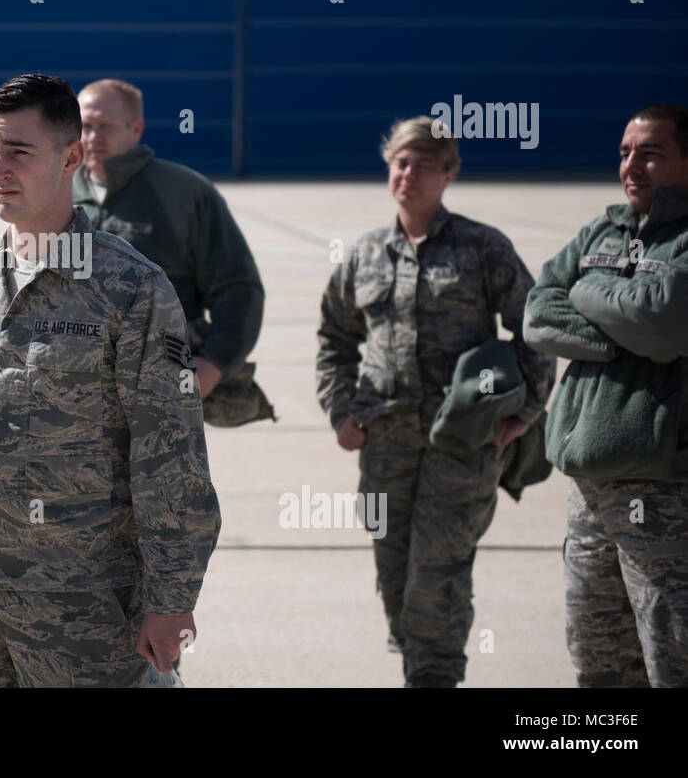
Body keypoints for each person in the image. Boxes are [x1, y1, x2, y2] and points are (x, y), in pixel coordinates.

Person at [0, 74, 221, 687]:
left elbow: (170, 452)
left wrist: (172, 596)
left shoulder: (131, 287)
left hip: (86, 605)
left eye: (19, 150)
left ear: (71, 157)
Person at [315, 115, 554, 687]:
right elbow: (334, 336)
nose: (409, 173)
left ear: (448, 174)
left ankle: (434, 676)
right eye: (401, 161)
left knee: (438, 576)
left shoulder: (482, 247)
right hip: (384, 445)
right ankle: (418, 666)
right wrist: (340, 409)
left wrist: (524, 411)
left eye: (425, 163)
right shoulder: (365, 254)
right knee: (394, 575)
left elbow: (535, 327)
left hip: (464, 445)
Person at [524, 103, 688, 688]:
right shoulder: (603, 229)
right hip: (588, 495)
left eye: (651, 152)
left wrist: (589, 288)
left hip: (665, 498)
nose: (632, 164)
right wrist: (626, 333)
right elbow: (539, 313)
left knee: (672, 662)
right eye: (624, 152)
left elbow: (666, 321)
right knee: (600, 666)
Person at [74, 79, 264, 404]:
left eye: (105, 127)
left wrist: (213, 365)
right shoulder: (55, 191)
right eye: (85, 126)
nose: (93, 138)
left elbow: (238, 287)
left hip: (158, 386)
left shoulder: (183, 193)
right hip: (73, 387)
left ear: (136, 129)